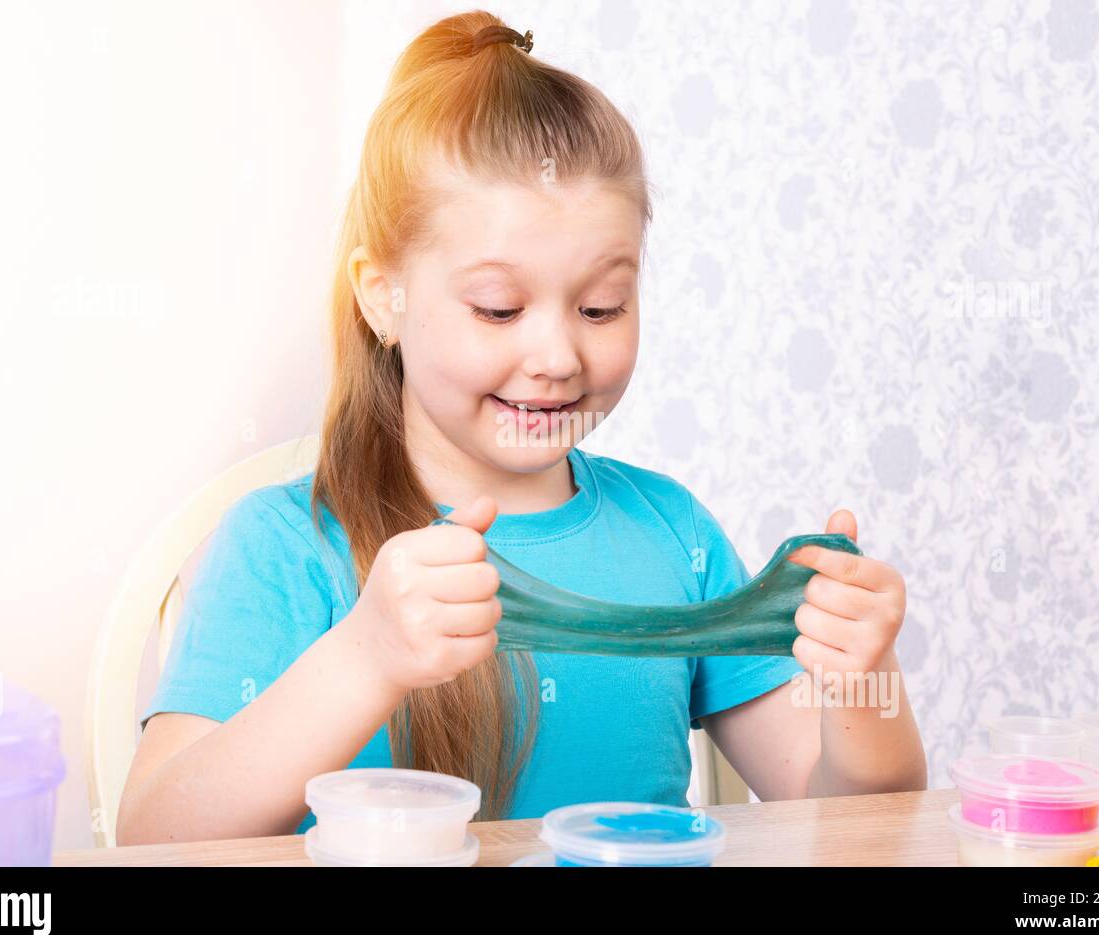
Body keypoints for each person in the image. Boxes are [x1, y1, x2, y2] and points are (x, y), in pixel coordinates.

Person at [116, 12, 926, 845]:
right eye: (499, 309)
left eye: (601, 305)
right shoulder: (284, 547)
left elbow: (861, 826)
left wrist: (866, 678)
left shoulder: (672, 538)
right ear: (381, 294)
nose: (557, 355)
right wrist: (367, 657)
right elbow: (154, 840)